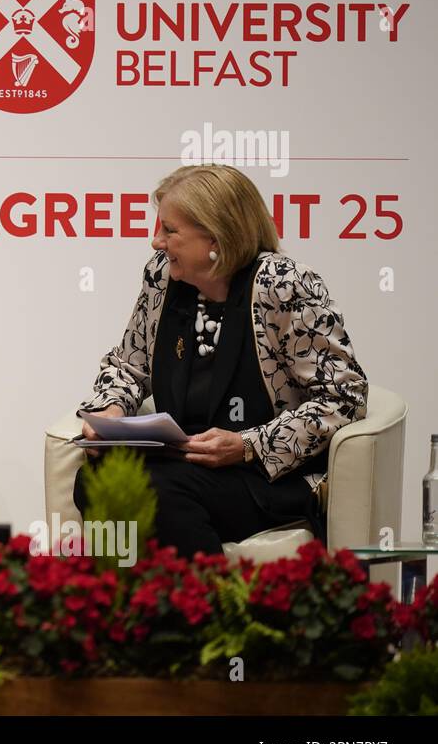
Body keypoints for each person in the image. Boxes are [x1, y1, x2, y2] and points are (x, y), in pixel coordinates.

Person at [75, 164, 367, 557]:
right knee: (93, 480)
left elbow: (344, 397)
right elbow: (128, 365)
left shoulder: (283, 285)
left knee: (156, 491)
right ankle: (139, 607)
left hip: (262, 475)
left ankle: (204, 608)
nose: (155, 242)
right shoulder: (163, 277)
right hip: (181, 461)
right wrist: (111, 410)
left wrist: (247, 445)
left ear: (215, 235)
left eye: (170, 230)